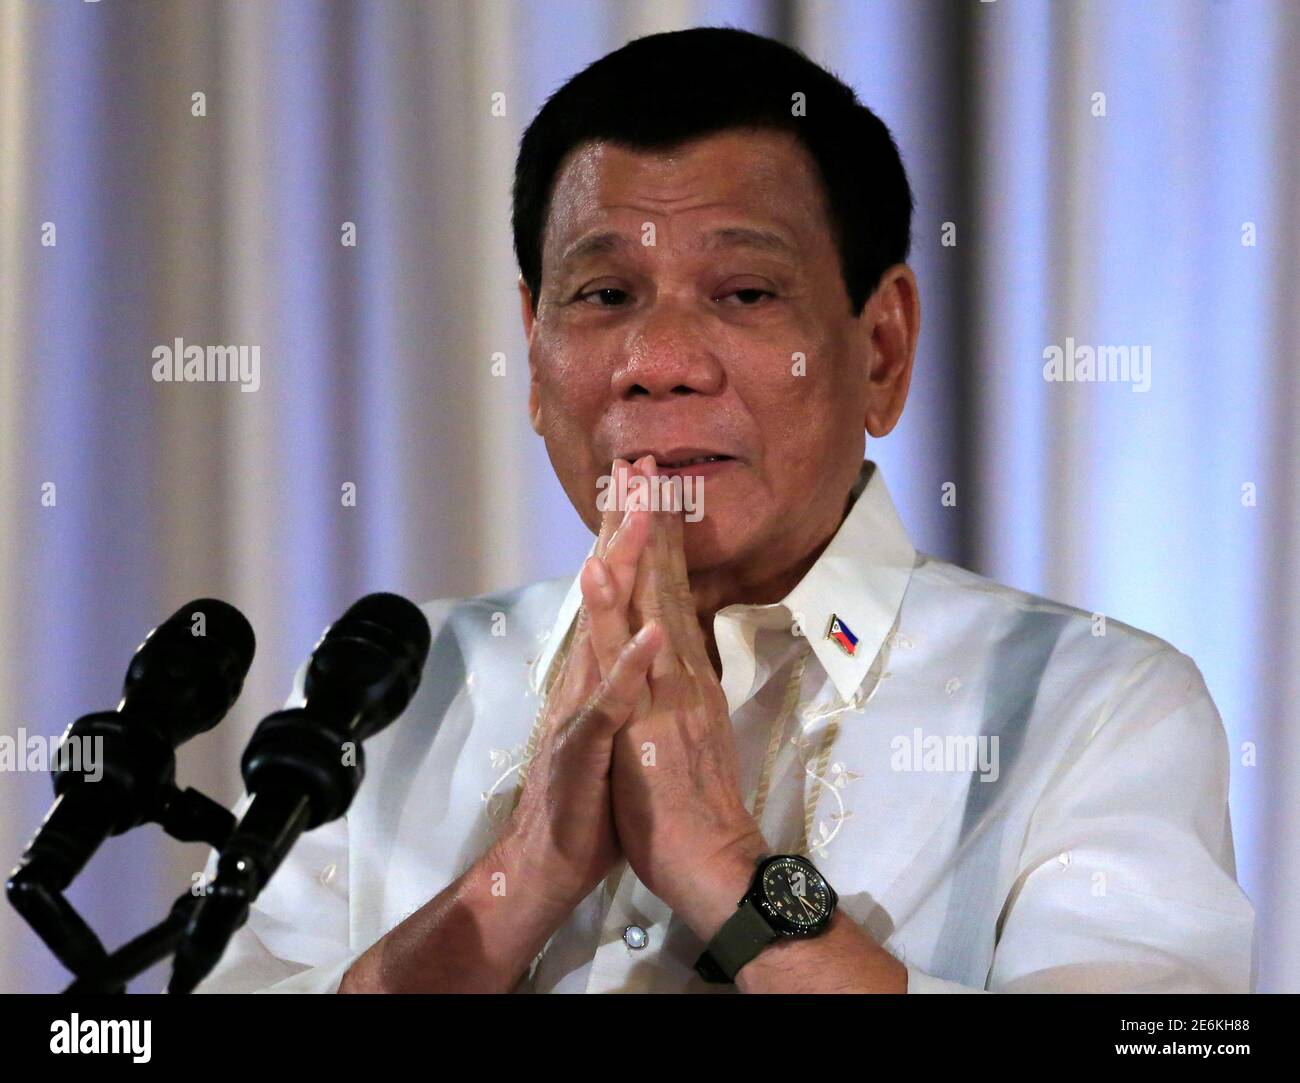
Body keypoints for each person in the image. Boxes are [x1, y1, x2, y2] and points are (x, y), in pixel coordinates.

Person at [196, 27, 1253, 994]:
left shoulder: (1093, 708)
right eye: (603, 297)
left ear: (880, 348)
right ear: (531, 350)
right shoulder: (399, 691)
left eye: (745, 294)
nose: (656, 366)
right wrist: (521, 877)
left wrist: (729, 871)